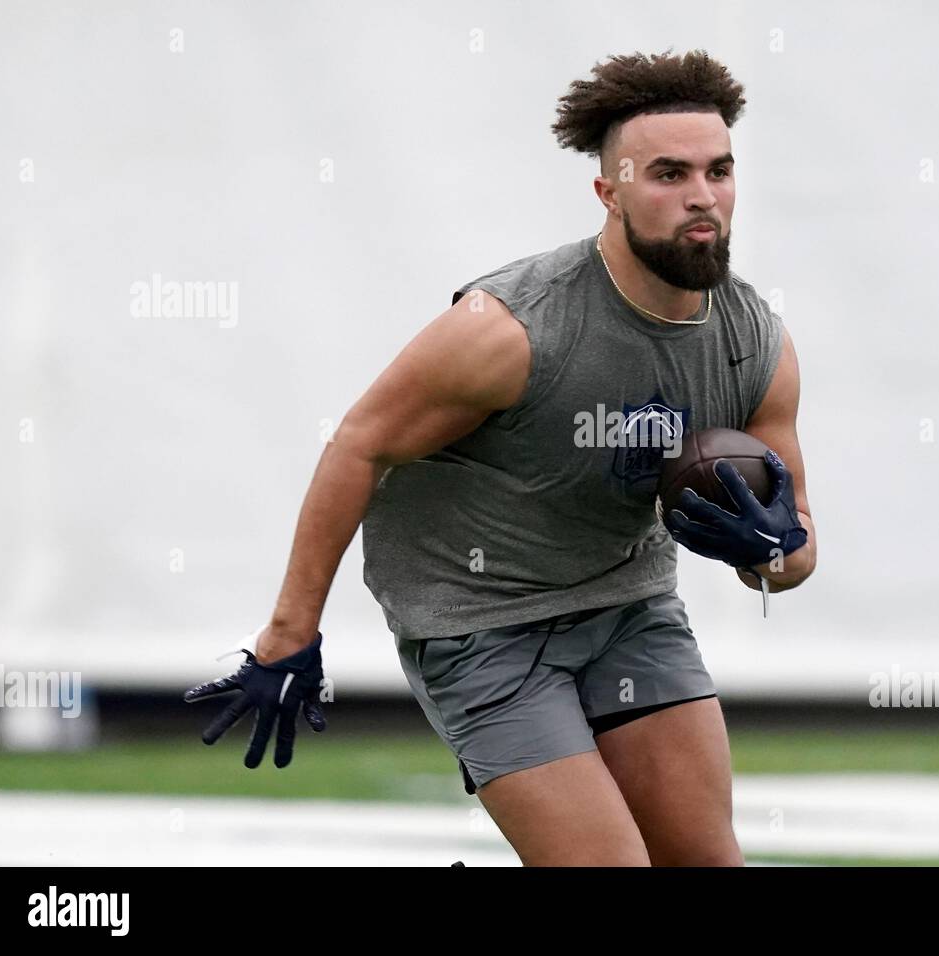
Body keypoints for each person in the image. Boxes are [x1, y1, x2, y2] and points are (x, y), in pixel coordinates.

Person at [186, 48, 816, 866]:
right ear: (609, 191)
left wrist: (771, 549)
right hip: (482, 625)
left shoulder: (753, 342)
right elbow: (359, 444)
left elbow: (795, 552)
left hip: (629, 609)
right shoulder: (511, 328)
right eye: (667, 174)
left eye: (718, 170)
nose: (702, 196)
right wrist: (288, 634)